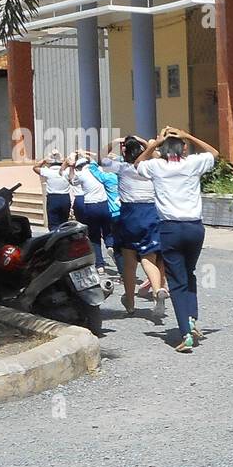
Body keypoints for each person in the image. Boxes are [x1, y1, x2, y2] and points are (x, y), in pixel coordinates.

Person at [133, 126, 219, 352]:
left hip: (170, 229)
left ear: (162, 150)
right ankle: (191, 317)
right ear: (184, 148)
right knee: (188, 274)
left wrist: (154, 143)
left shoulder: (157, 166)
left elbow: (137, 164)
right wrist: (187, 135)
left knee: (176, 281)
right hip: (195, 228)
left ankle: (185, 333)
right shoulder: (193, 164)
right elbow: (214, 153)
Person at [103, 136, 167, 319]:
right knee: (149, 258)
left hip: (129, 214)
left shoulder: (122, 168)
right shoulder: (152, 167)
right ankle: (157, 290)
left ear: (124, 152)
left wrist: (115, 141)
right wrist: (147, 142)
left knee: (129, 262)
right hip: (150, 212)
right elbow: (157, 155)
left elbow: (100, 159)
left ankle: (130, 303)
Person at [68, 153, 112, 270]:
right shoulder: (99, 170)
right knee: (108, 231)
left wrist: (71, 166)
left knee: (94, 236)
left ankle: (99, 265)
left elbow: (72, 181)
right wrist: (87, 154)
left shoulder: (81, 174)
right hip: (105, 204)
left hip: (91, 205)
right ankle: (110, 245)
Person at [32, 150, 72, 230]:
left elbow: (35, 167)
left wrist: (44, 160)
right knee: (64, 222)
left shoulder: (48, 171)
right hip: (65, 198)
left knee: (53, 224)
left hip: (53, 198)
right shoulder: (67, 171)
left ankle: (54, 239)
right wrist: (65, 159)